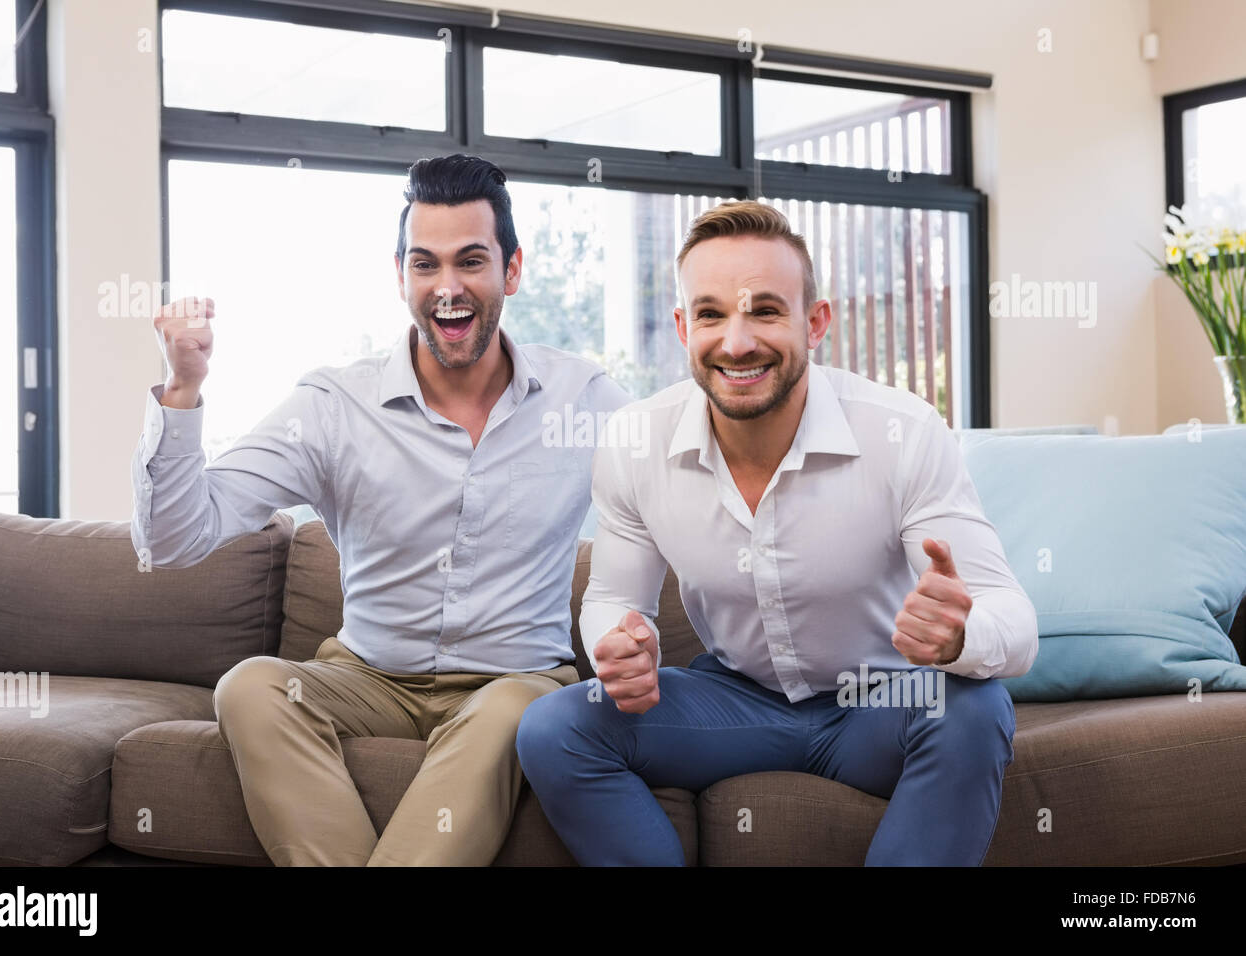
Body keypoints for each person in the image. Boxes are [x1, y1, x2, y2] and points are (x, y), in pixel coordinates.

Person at [130, 154, 629, 865]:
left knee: (516, 714)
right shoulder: (336, 406)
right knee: (251, 686)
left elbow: (686, 492)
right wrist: (182, 387)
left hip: (514, 679)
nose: (447, 288)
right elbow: (173, 539)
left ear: (512, 271)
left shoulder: (585, 402)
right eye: (425, 264)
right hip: (367, 677)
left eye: (471, 262)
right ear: (400, 276)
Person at [515, 200, 1039, 866]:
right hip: (732, 704)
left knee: (973, 704)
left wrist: (962, 636)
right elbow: (614, 601)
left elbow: (1015, 623)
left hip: (879, 701)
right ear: (683, 327)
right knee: (555, 727)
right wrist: (615, 643)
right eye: (711, 314)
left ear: (815, 322)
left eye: (764, 310)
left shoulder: (900, 431)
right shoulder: (634, 441)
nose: (737, 342)